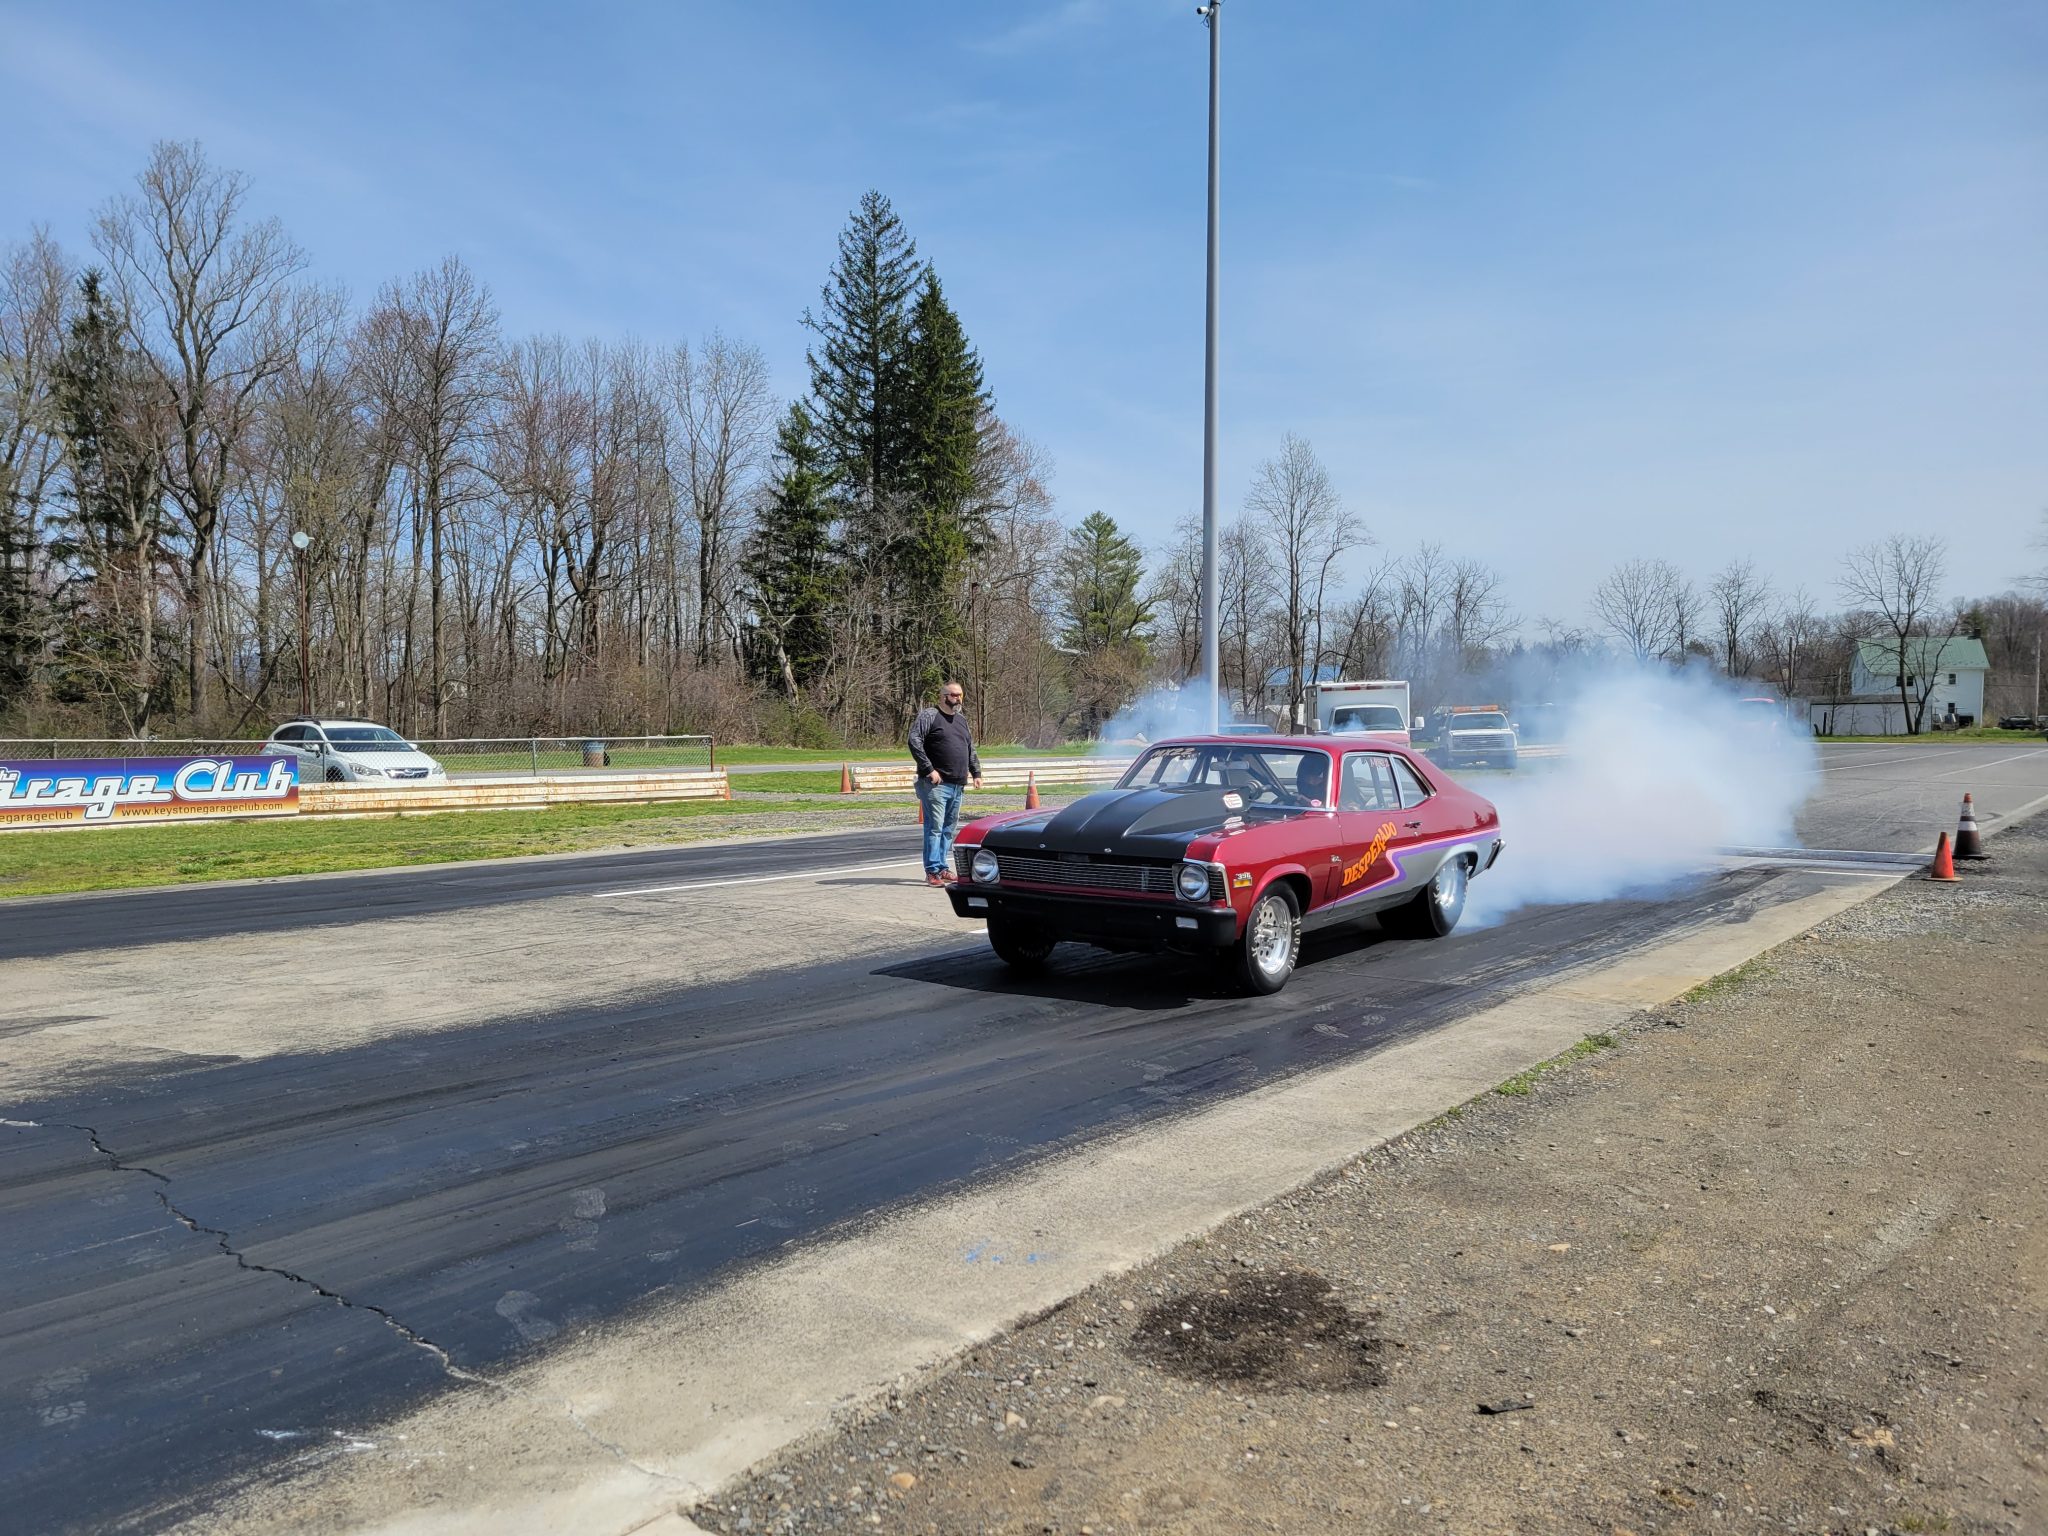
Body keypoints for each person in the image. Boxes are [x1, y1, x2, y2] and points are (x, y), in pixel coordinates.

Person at [909, 681, 983, 886]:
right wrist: (928, 769)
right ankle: (932, 871)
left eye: (960, 695)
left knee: (948, 829)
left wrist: (976, 772)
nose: (958, 699)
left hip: (958, 784)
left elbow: (970, 748)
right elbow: (914, 741)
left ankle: (942, 868)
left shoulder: (961, 720)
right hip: (935, 785)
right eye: (954, 695)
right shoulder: (929, 716)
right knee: (934, 828)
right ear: (943, 696)